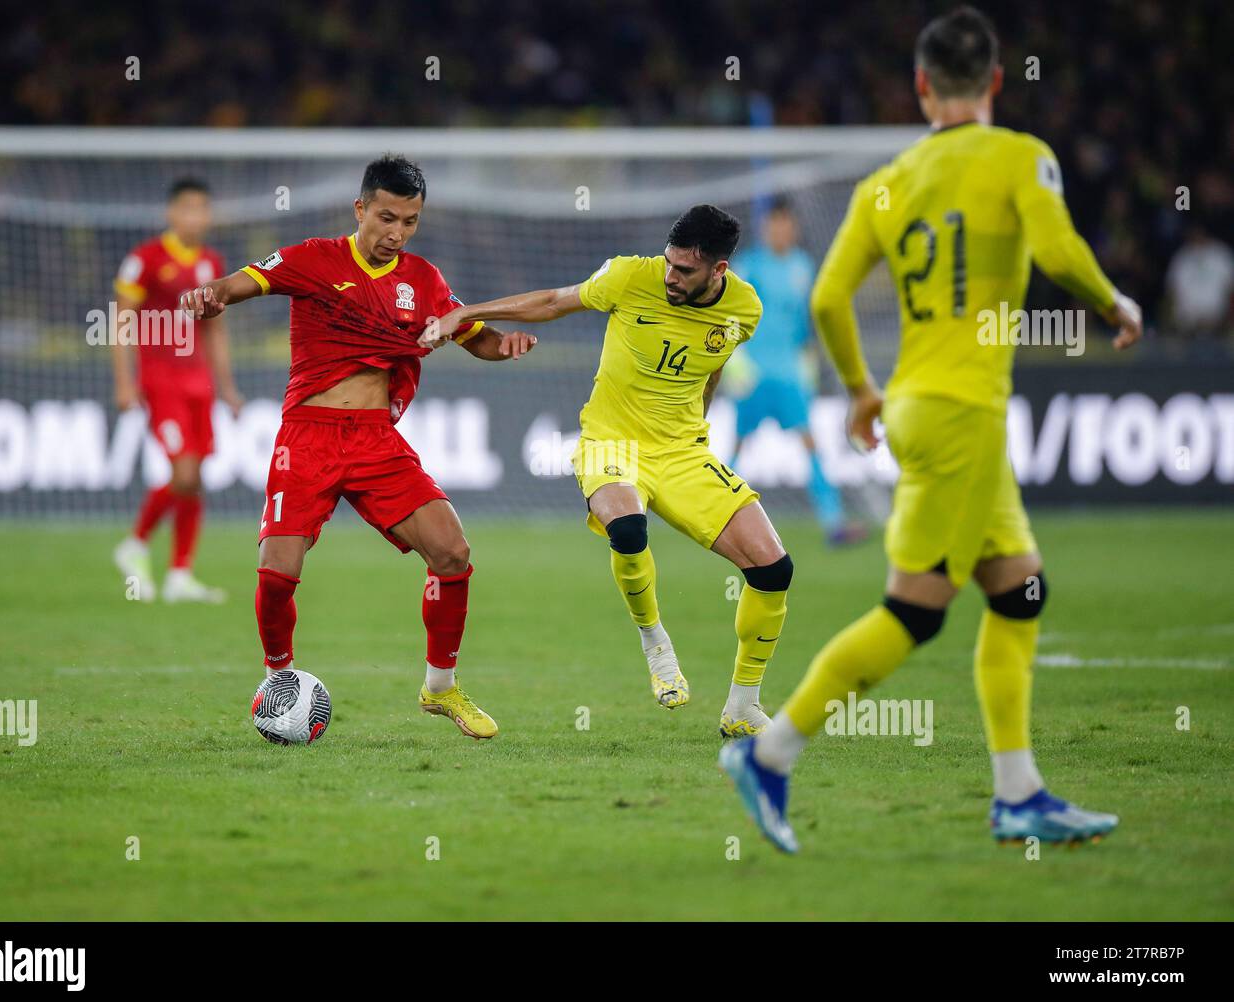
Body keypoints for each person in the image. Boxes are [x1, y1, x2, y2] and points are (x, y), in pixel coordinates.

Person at [719, 6, 1143, 852]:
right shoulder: (1022, 157)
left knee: (1019, 589)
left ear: (920, 89)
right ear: (993, 81)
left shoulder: (889, 180)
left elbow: (832, 298)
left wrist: (861, 393)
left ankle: (1018, 792)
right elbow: (1057, 247)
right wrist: (1112, 299)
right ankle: (770, 753)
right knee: (914, 612)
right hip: (962, 415)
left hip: (918, 403)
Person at [178, 155, 537, 740]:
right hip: (308, 436)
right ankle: (279, 678)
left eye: (410, 222)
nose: (396, 233)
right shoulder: (313, 258)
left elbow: (477, 339)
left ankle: (440, 688)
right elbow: (243, 281)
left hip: (375, 442)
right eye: (386, 217)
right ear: (360, 209)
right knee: (277, 572)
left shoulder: (423, 279)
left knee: (451, 552)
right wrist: (211, 293)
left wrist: (508, 344)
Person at [426, 205, 793, 739]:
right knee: (627, 528)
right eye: (669, 263)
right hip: (609, 439)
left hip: (683, 451)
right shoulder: (629, 275)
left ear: (719, 271)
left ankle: (742, 705)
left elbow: (710, 371)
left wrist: (699, 433)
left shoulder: (745, 308)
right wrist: (467, 313)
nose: (670, 275)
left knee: (774, 569)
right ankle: (655, 641)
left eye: (685, 271)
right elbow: (554, 301)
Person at [112, 178, 242, 604]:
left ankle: (180, 574)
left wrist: (226, 387)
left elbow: (216, 332)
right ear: (171, 213)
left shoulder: (210, 263)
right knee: (183, 473)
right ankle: (135, 545)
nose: (195, 217)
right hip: (160, 383)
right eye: (187, 209)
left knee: (196, 478)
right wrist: (125, 381)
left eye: (202, 209)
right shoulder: (144, 259)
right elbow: (121, 321)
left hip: (198, 384)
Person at [731, 199, 866, 546]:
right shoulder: (748, 266)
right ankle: (712, 517)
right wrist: (735, 362)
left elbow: (805, 323)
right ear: (765, 228)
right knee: (737, 447)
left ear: (793, 227)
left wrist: (807, 363)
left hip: (790, 374)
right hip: (754, 375)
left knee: (811, 445)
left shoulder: (803, 267)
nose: (780, 230)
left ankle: (834, 523)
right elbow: (729, 317)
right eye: (774, 224)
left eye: (786, 224)